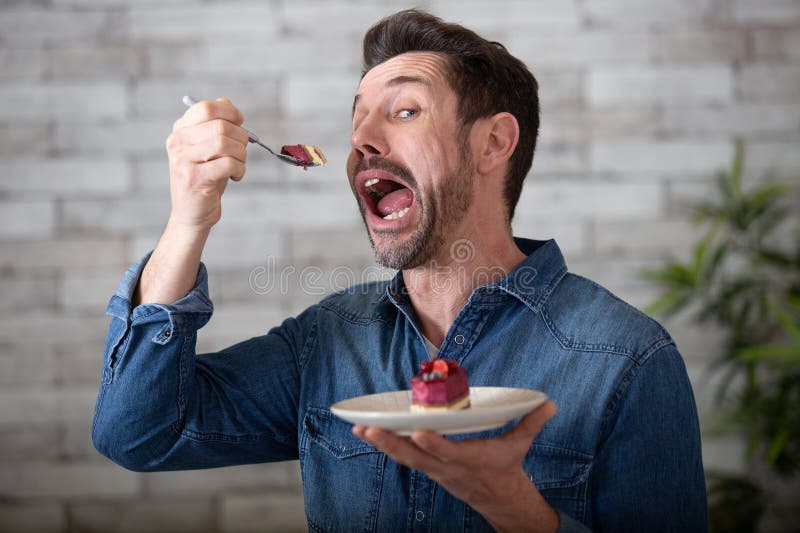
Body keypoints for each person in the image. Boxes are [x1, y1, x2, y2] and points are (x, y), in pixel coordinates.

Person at [92, 9, 707, 532]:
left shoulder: (628, 358)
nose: (362, 138)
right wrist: (188, 222)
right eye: (357, 117)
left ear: (492, 144)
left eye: (405, 111)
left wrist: (519, 512)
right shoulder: (324, 343)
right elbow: (138, 434)